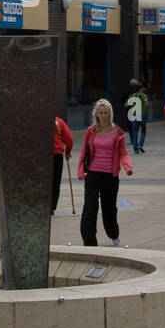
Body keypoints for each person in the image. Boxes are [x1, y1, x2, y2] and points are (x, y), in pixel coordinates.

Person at [76, 98, 132, 247]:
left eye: (106, 112)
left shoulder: (117, 132)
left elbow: (123, 153)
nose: (103, 115)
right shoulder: (91, 131)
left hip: (110, 176)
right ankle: (89, 242)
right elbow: (84, 152)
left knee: (109, 210)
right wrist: (81, 171)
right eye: (100, 112)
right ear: (96, 114)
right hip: (93, 174)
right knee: (90, 208)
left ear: (110, 114)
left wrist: (127, 167)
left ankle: (113, 233)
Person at [52, 116, 73, 213]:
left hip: (42, 154)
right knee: (55, 180)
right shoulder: (58, 121)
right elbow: (69, 139)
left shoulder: (37, 120)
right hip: (57, 153)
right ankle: (52, 206)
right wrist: (68, 152)